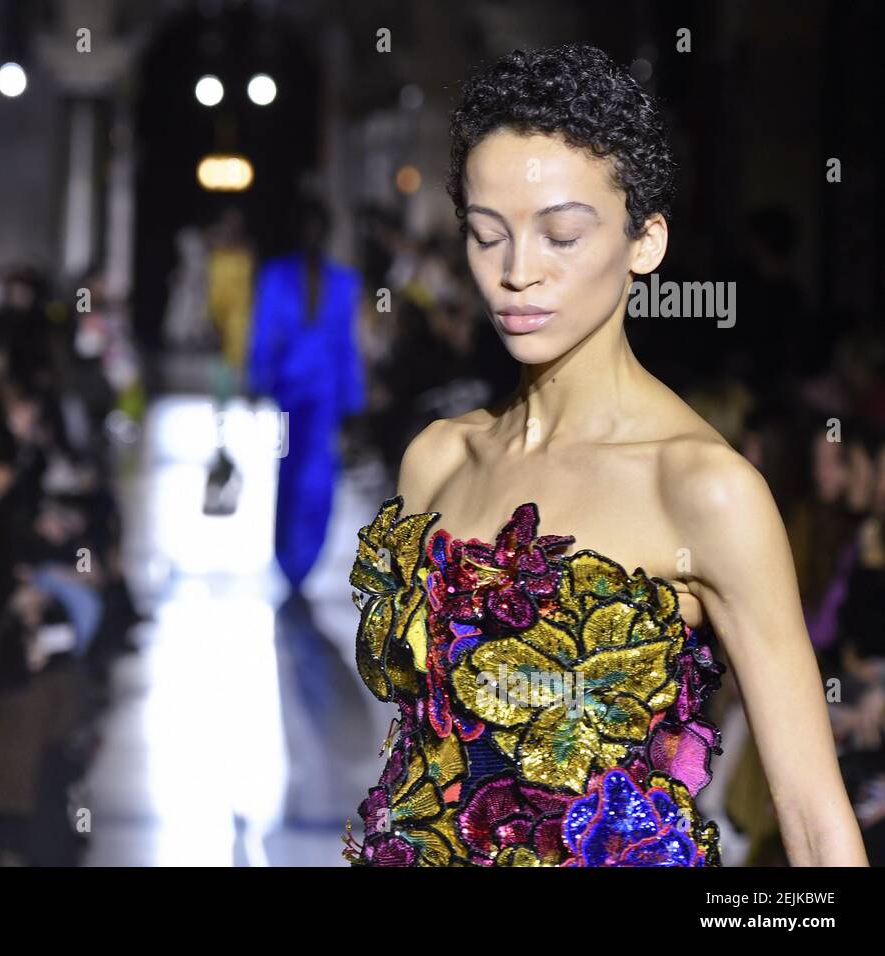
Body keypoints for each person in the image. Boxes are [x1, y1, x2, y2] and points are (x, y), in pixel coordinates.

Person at [343, 44, 867, 867]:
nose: (517, 273)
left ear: (645, 242)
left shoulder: (704, 488)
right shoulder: (436, 460)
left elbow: (809, 821)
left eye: (561, 236)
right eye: (488, 236)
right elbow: (417, 763)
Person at [246, 195, 365, 590]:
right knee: (288, 468)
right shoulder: (276, 276)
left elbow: (349, 342)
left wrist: (354, 397)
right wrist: (257, 376)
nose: (313, 234)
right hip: (289, 388)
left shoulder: (345, 282)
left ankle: (308, 555)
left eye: (319, 228)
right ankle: (285, 553)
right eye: (307, 227)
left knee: (320, 474)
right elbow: (263, 329)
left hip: (327, 390)